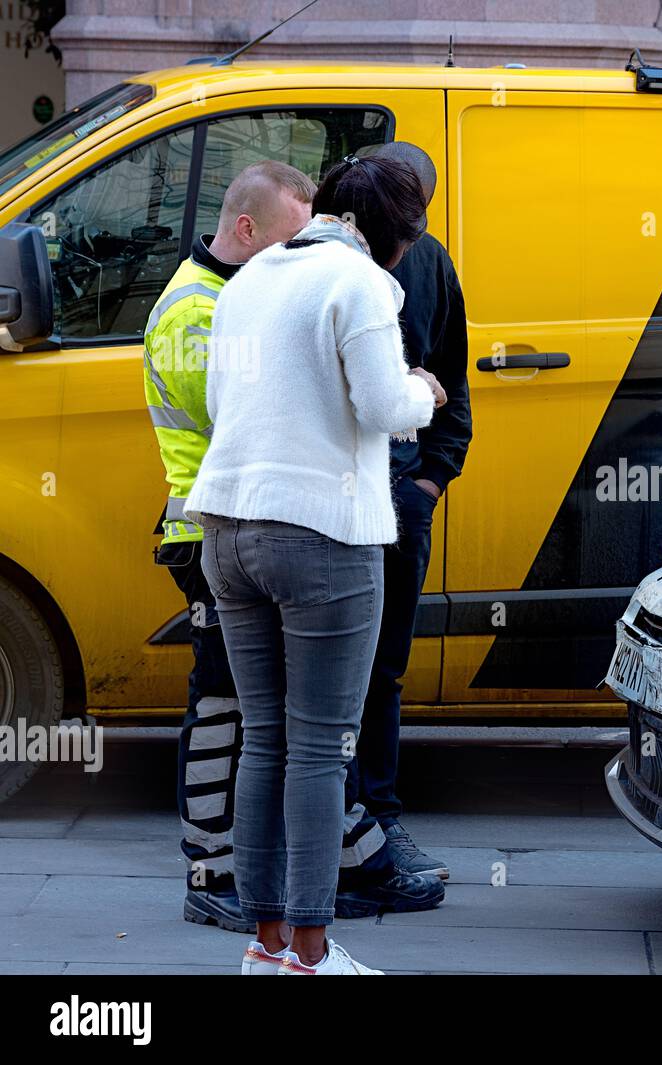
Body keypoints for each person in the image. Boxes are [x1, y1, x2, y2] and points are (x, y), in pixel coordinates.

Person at [186, 155, 446, 975]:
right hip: (321, 535)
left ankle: (263, 945)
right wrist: (426, 391)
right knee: (322, 748)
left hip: (227, 528)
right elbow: (380, 405)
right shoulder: (360, 281)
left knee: (262, 740)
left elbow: (231, 405)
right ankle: (308, 947)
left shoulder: (250, 277)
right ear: (395, 239)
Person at [143, 161, 312, 933]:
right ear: (246, 230)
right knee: (218, 704)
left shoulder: (231, 297)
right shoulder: (194, 312)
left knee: (244, 705)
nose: (295, 258)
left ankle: (241, 862)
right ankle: (207, 871)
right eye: (286, 240)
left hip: (231, 528)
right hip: (204, 534)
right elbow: (246, 416)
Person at [337, 141, 471, 893]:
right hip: (341, 497)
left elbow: (452, 378)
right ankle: (349, 826)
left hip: (396, 496)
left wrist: (428, 483)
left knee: (383, 670)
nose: (411, 224)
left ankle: (379, 817)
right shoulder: (332, 265)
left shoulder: (431, 263)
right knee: (341, 674)